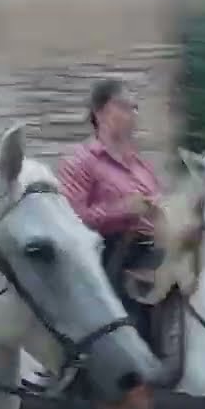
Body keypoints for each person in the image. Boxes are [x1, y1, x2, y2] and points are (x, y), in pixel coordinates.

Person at [56, 78, 162, 340]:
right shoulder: (80, 161)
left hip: (152, 248)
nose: (132, 113)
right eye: (124, 106)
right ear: (100, 112)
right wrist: (124, 209)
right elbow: (71, 219)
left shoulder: (140, 164)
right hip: (110, 254)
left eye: (135, 107)